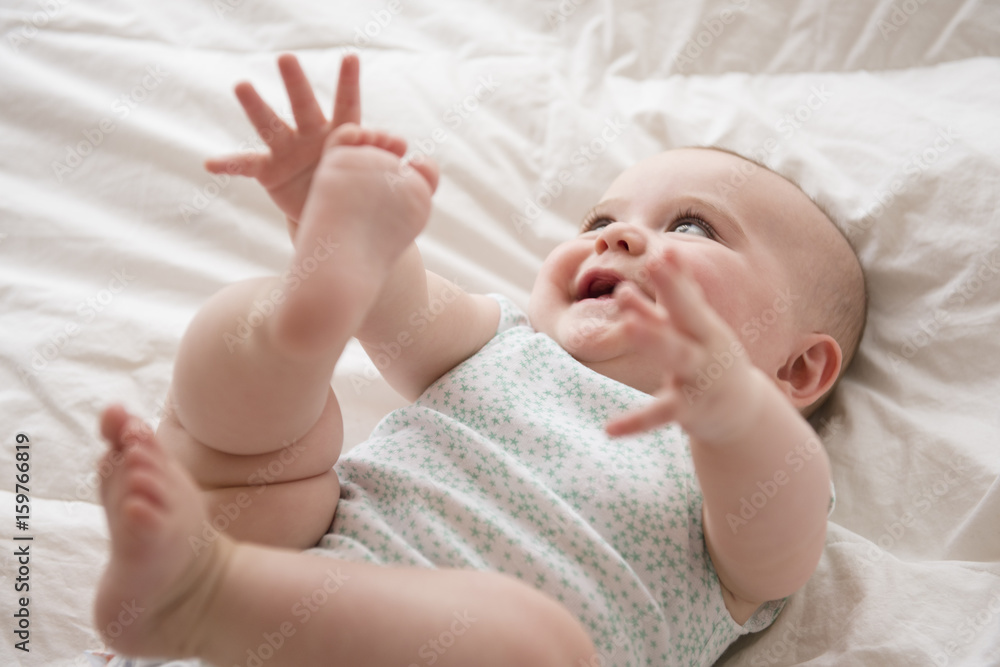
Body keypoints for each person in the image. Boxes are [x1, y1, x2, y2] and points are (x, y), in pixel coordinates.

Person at [92, 52, 866, 667]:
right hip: (275, 607)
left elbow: (778, 538)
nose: (615, 237)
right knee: (248, 353)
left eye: (693, 228)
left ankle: (203, 594)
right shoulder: (504, 345)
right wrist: (344, 235)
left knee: (538, 645)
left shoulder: (749, 473)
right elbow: (400, 308)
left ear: (796, 372)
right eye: (600, 218)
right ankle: (303, 314)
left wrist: (731, 406)